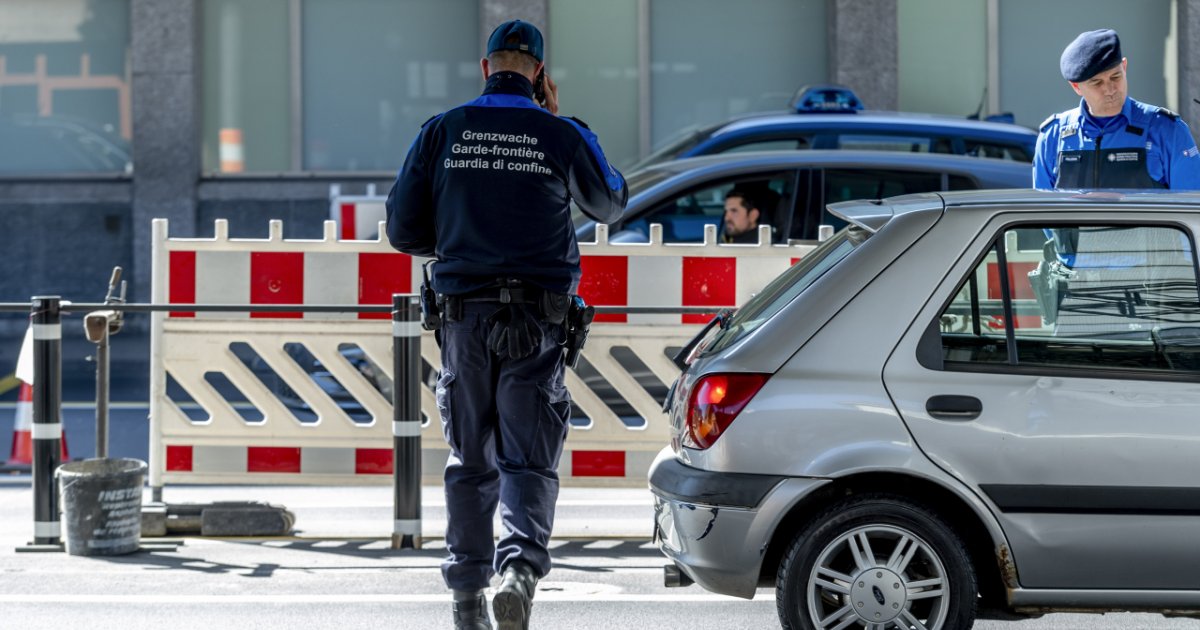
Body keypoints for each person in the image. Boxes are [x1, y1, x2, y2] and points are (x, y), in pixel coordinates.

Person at [384, 19, 627, 630]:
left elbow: (404, 231)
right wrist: (565, 127)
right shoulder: (561, 134)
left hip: (463, 320)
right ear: (540, 73)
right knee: (529, 457)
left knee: (471, 459)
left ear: (485, 66)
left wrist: (463, 236)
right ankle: (518, 571)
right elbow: (609, 203)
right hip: (539, 323)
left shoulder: (442, 131)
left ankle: (467, 599)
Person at [1033, 28, 1200, 190]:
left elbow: (1191, 203)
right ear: (1076, 87)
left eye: (1116, 76)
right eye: (1097, 83)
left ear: (1124, 67)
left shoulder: (1167, 130)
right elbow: (1041, 207)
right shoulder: (1053, 136)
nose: (1110, 89)